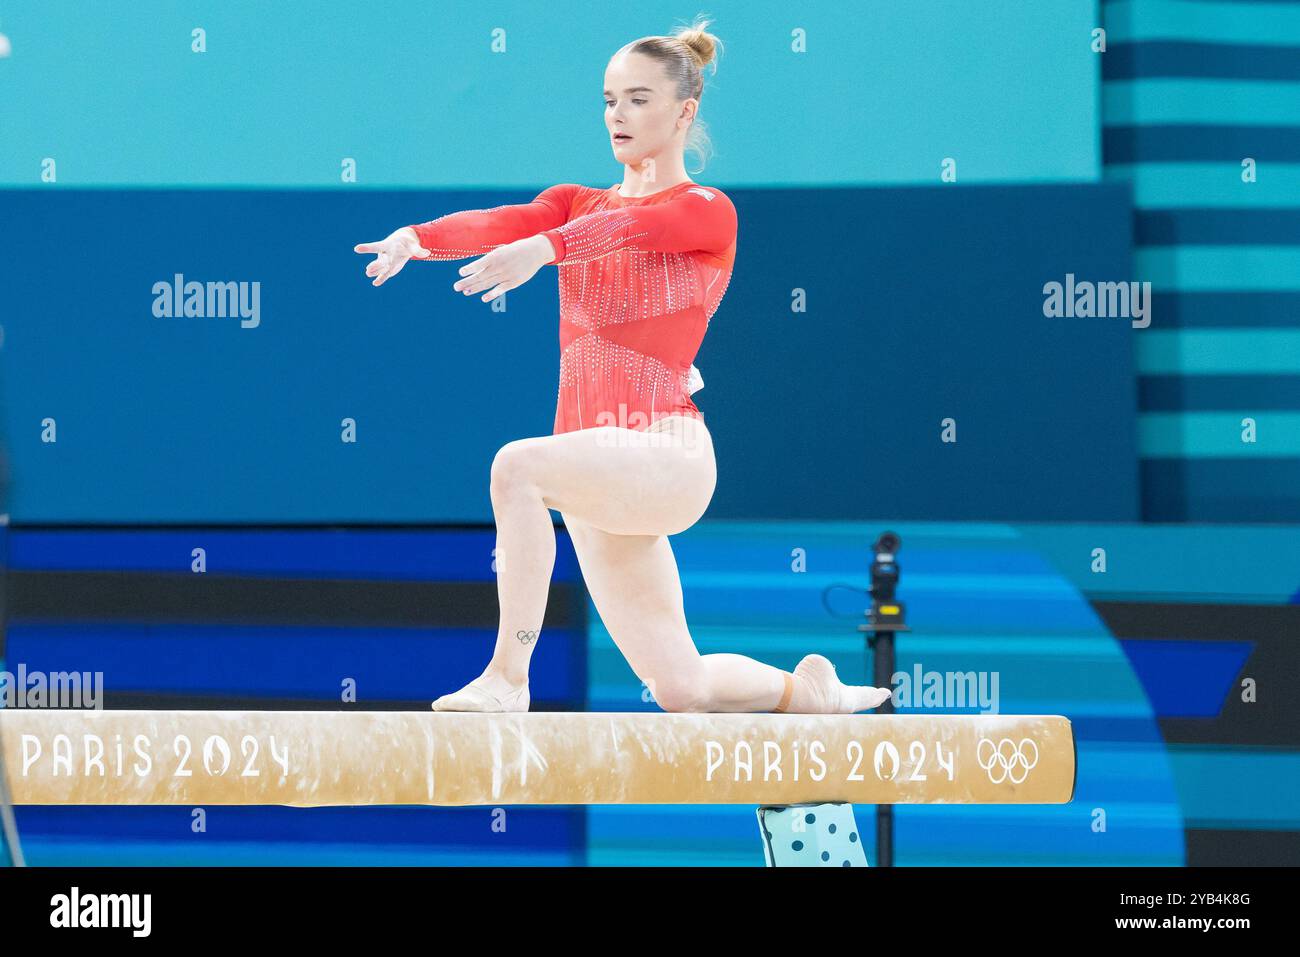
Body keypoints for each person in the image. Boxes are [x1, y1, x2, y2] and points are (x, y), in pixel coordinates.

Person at [353, 20, 892, 716]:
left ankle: (507, 677)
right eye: (610, 100)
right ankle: (806, 691)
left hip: (667, 451)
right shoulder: (573, 203)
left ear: (685, 112)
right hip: (597, 473)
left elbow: (636, 226)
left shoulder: (707, 211)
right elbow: (503, 222)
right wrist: (417, 238)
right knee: (681, 687)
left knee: (516, 468)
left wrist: (547, 249)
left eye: (639, 99)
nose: (618, 114)